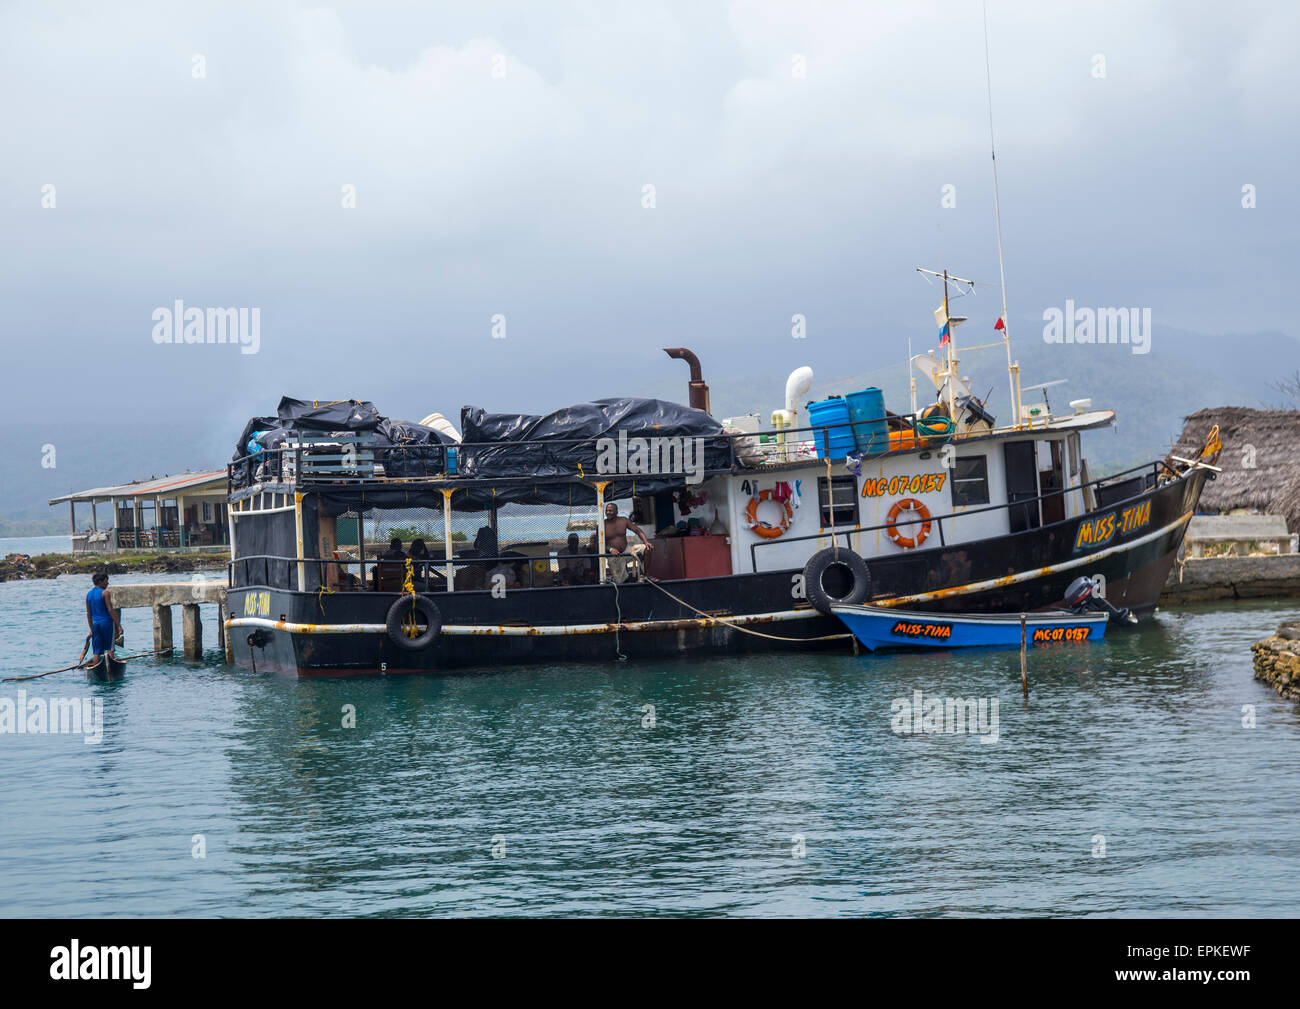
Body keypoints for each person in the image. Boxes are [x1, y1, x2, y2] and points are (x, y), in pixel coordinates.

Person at [85, 572, 122, 664]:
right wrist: (118, 625)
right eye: (106, 581)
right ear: (100, 581)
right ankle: (111, 666)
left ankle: (96, 665)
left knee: (96, 651)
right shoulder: (105, 593)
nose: (107, 583)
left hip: (95, 624)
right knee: (110, 648)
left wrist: (91, 628)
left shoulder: (88, 594)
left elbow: (88, 614)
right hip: (107, 623)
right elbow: (110, 610)